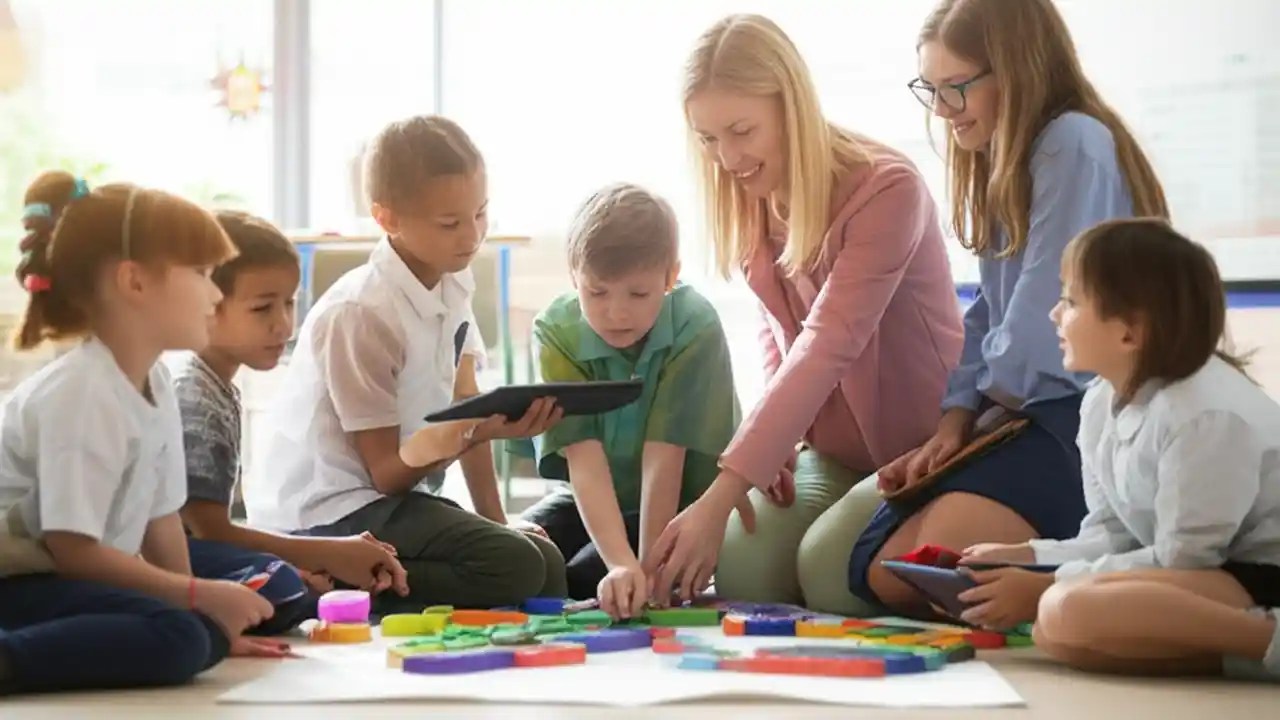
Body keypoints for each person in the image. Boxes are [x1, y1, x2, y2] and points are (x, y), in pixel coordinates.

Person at [842, 0, 1171, 617]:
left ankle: (1068, 588)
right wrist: (953, 421)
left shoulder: (1071, 142)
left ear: (1016, 72)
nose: (941, 110)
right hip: (1030, 410)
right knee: (866, 566)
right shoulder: (1005, 158)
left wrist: (980, 421)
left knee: (905, 571)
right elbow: (989, 312)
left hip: (1081, 417)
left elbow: (1038, 335)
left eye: (957, 88)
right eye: (930, 89)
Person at [643, 13, 965, 613]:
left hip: (919, 448)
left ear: (791, 105)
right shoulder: (749, 196)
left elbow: (826, 341)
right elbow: (777, 328)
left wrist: (723, 491)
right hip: (833, 453)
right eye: (708, 139)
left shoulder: (886, 189)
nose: (728, 157)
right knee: (744, 572)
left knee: (830, 573)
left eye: (742, 131)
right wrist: (778, 446)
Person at [244, 115, 568, 611]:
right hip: (332, 510)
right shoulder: (362, 314)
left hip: (392, 500)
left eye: (480, 215)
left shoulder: (453, 282)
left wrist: (497, 519)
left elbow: (467, 402)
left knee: (542, 559)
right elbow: (386, 475)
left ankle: (371, 577)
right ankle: (322, 579)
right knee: (515, 566)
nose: (472, 236)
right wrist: (476, 431)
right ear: (386, 218)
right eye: (450, 223)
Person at [959, 218, 1279, 683]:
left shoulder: (1205, 415)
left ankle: (1267, 640)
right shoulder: (1099, 403)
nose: (1054, 315)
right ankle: (1243, 660)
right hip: (1202, 576)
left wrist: (1047, 583)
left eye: (1070, 301)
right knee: (1055, 630)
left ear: (1130, 333)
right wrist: (1026, 556)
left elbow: (1185, 560)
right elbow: (1114, 534)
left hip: (1255, 575)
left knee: (1063, 608)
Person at [0, 173, 278, 695]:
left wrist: (207, 607)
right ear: (134, 282)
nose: (215, 293)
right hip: (22, 584)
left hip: (70, 583)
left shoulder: (153, 381)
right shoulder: (83, 391)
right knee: (179, 634)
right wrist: (195, 596)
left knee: (200, 627)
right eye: (202, 272)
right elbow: (73, 550)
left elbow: (161, 518)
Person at [172, 210, 408, 614]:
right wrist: (323, 553)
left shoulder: (217, 386)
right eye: (263, 308)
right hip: (172, 564)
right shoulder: (194, 397)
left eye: (289, 304)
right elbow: (207, 533)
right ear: (207, 303)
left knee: (293, 580)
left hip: (199, 555)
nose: (283, 325)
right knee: (284, 585)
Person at [519, 183, 738, 615]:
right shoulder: (556, 331)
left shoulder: (694, 324)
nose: (617, 313)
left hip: (680, 502)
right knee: (522, 553)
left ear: (670, 278)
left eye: (638, 294)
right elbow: (582, 458)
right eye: (596, 292)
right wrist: (621, 563)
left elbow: (665, 458)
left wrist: (644, 569)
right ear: (573, 278)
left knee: (585, 578)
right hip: (597, 494)